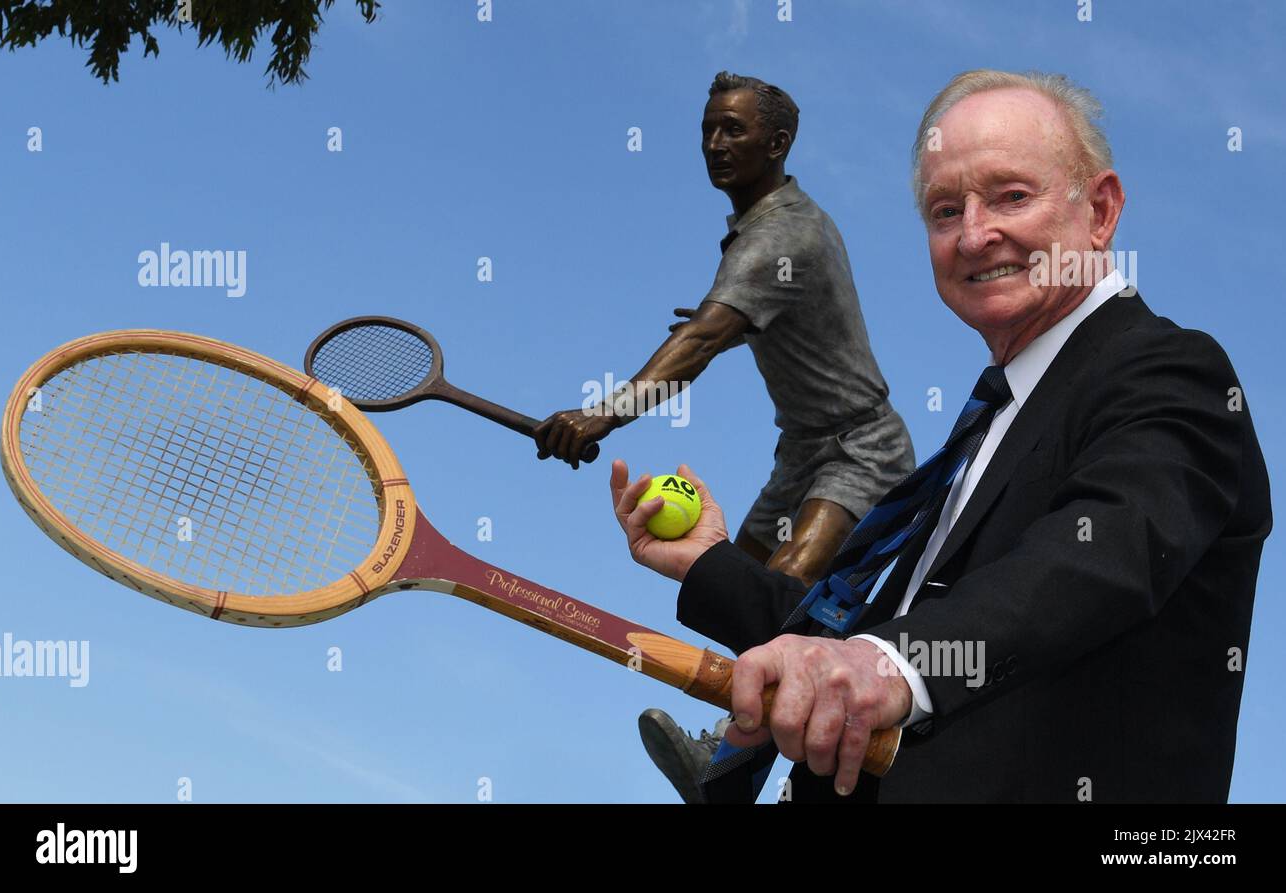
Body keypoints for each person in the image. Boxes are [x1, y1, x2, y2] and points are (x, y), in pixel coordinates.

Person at [610, 69, 1271, 803]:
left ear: (1101, 210)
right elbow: (847, 638)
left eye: (1012, 196)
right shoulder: (985, 431)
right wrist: (707, 561)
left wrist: (891, 663)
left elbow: (1098, 557)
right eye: (945, 210)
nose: (976, 233)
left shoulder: (1175, 375)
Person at [533, 72, 913, 802]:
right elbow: (722, 327)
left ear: (778, 144)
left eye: (733, 131)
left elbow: (702, 342)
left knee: (785, 600)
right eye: (708, 128)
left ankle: (733, 772)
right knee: (732, 586)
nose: (714, 144)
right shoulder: (760, 232)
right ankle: (750, 764)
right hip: (801, 450)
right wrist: (716, 326)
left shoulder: (784, 232)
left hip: (861, 448)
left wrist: (597, 416)